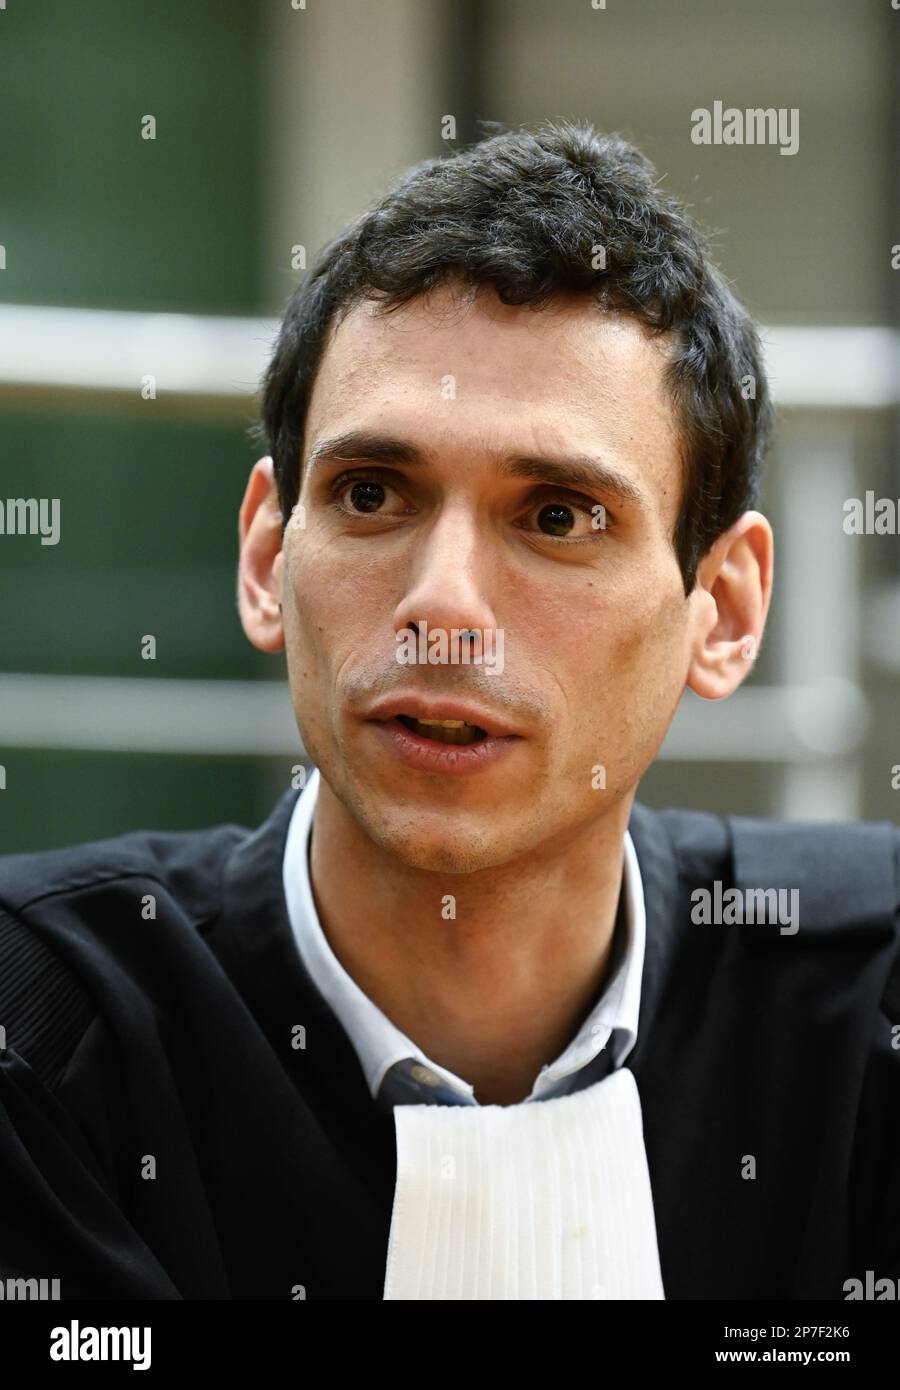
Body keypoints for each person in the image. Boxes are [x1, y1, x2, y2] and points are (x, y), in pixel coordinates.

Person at [1, 121, 897, 1301]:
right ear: (270, 557)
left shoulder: (868, 1004)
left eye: (560, 516)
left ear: (720, 611)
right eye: (372, 494)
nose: (442, 609)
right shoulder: (41, 1032)